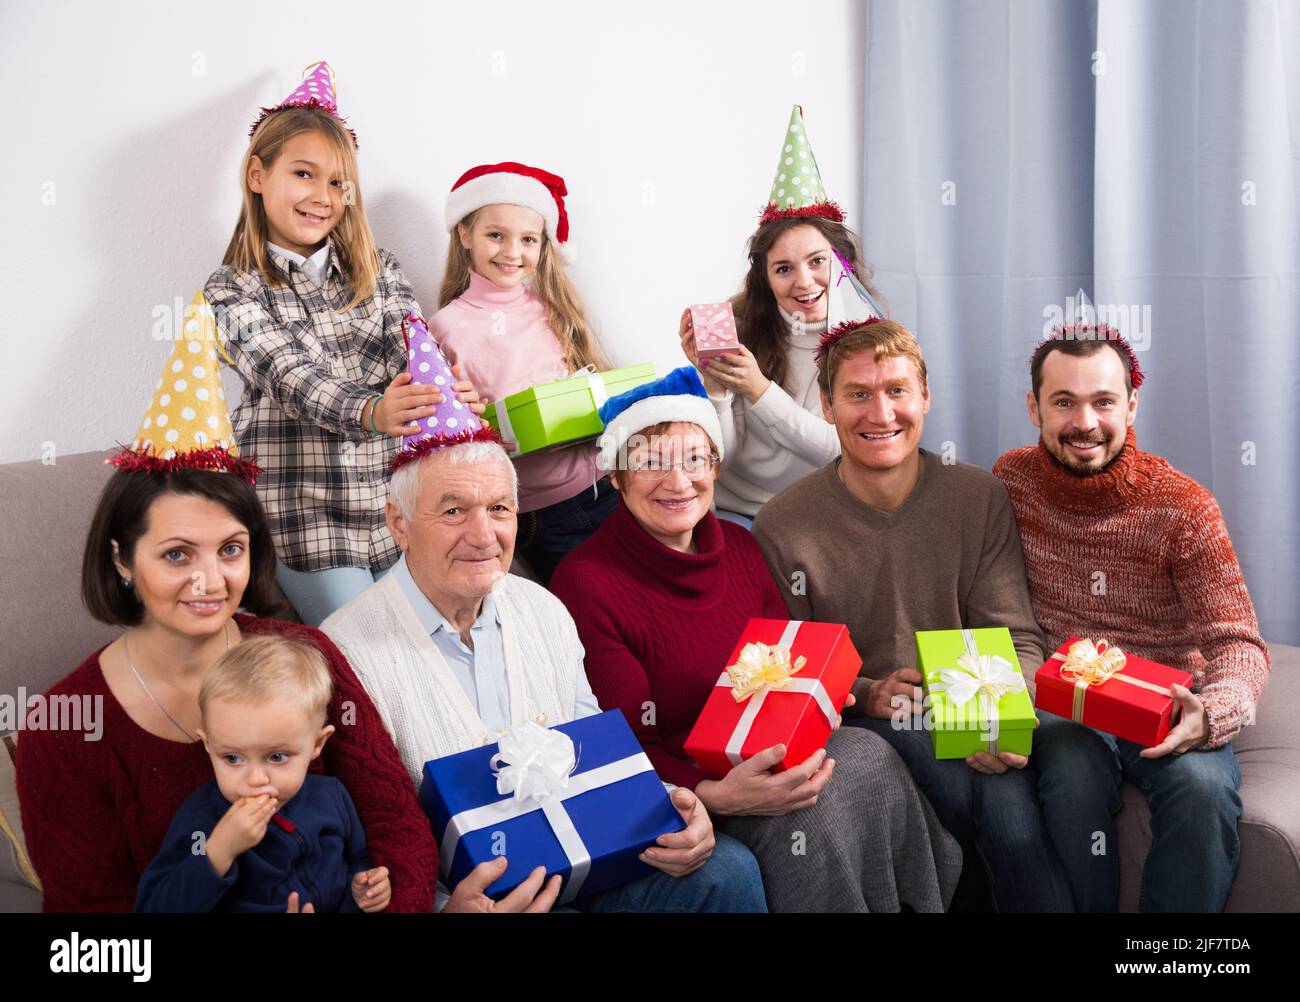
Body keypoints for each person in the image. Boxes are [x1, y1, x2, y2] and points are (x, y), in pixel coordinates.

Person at [15, 320, 438, 911]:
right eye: (176, 554)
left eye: (231, 550)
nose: (210, 582)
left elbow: (398, 829)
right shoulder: (61, 730)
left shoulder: (306, 656)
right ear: (122, 561)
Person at [321, 382, 765, 913]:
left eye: (500, 509)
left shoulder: (541, 607)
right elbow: (361, 839)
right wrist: (443, 908)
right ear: (399, 523)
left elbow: (594, 748)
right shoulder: (343, 652)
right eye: (454, 511)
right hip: (466, 897)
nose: (484, 536)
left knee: (726, 871)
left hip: (583, 855)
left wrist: (672, 803)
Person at [551, 368, 963, 912]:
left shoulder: (742, 551)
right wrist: (713, 795)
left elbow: (786, 660)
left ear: (715, 469)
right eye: (650, 463)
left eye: (694, 459)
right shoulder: (585, 585)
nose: (677, 482)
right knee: (812, 816)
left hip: (771, 749)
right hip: (687, 787)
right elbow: (618, 748)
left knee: (867, 753)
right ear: (618, 479)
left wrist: (825, 696)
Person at [751, 318, 1074, 912]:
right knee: (971, 787)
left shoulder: (977, 497)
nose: (881, 413)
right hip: (865, 719)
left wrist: (1002, 715)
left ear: (925, 397)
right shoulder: (784, 523)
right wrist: (868, 691)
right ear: (826, 405)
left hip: (972, 696)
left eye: (897, 390)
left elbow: (1015, 634)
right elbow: (786, 674)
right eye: (857, 394)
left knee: (1009, 805)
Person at [993, 324, 1270, 911]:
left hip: (1166, 698)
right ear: (1033, 406)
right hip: (1063, 701)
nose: (1084, 422)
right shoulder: (1010, 483)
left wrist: (1212, 713)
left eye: (1103, 401)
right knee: (1070, 771)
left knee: (1203, 790)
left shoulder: (1183, 507)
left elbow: (1238, 642)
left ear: (1132, 403)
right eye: (1063, 401)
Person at [204, 61, 482, 625]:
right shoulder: (229, 291)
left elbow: (414, 349)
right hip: (304, 522)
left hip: (392, 512)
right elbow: (290, 377)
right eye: (303, 174)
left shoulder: (380, 271)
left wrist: (447, 395)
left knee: (446, 635)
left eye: (336, 182)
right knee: (371, 652)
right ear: (258, 175)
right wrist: (373, 409)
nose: (322, 196)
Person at [677, 106, 885, 527]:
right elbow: (725, 458)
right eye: (784, 269)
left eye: (817, 261)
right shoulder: (744, 331)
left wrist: (758, 388)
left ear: (842, 263)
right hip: (736, 514)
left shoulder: (870, 344)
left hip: (814, 517)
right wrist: (716, 388)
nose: (804, 282)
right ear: (766, 279)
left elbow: (840, 448)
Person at [432, 162, 616, 583]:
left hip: (606, 488)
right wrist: (471, 417)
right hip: (540, 512)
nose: (512, 252)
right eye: (496, 235)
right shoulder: (446, 327)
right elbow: (449, 436)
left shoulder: (554, 309)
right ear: (464, 234)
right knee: (586, 606)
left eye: (528, 239)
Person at [135, 635, 391, 913]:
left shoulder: (331, 796)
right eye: (232, 758)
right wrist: (219, 851)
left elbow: (357, 858)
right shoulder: (201, 825)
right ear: (208, 745)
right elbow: (154, 906)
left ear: (317, 744)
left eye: (277, 757)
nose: (255, 779)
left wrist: (363, 887)